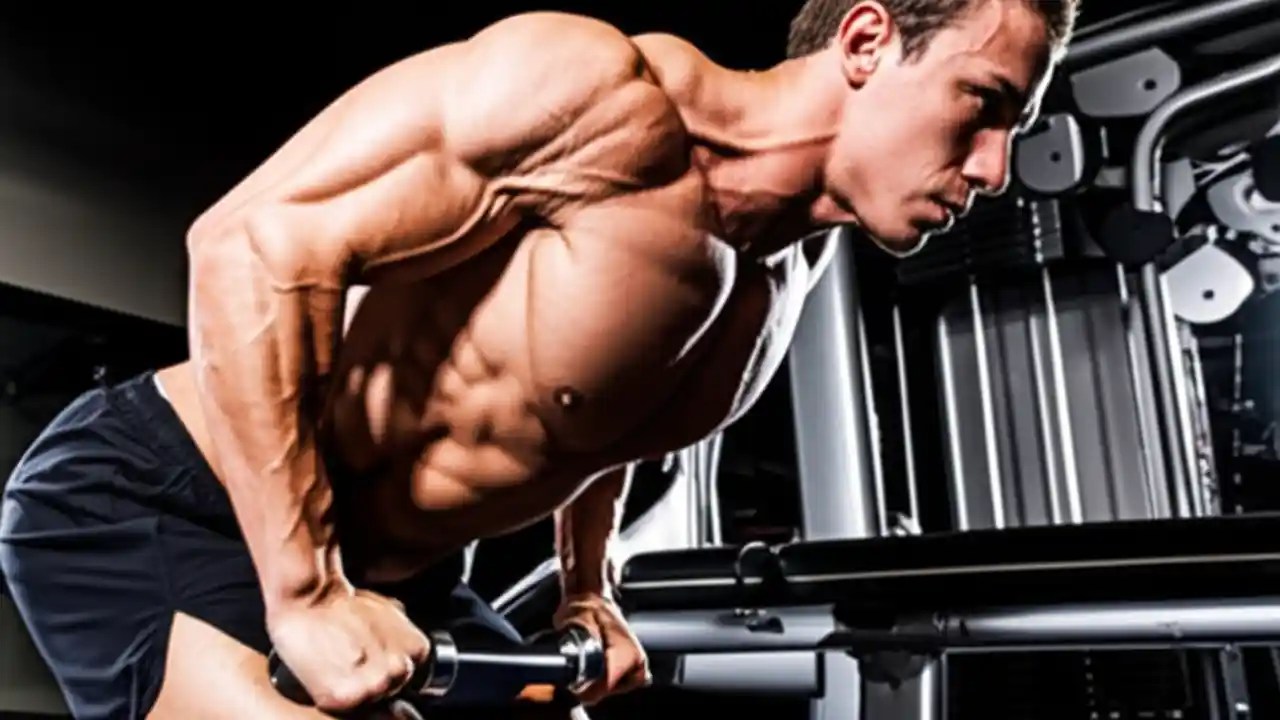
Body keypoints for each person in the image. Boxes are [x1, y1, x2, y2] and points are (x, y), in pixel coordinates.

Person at [0, 0, 1077, 718]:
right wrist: (304, 592)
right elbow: (250, 247)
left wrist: (587, 588)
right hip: (161, 499)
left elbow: (605, 410)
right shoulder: (602, 104)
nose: (992, 169)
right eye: (981, 106)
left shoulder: (779, 273)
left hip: (394, 582)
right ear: (863, 42)